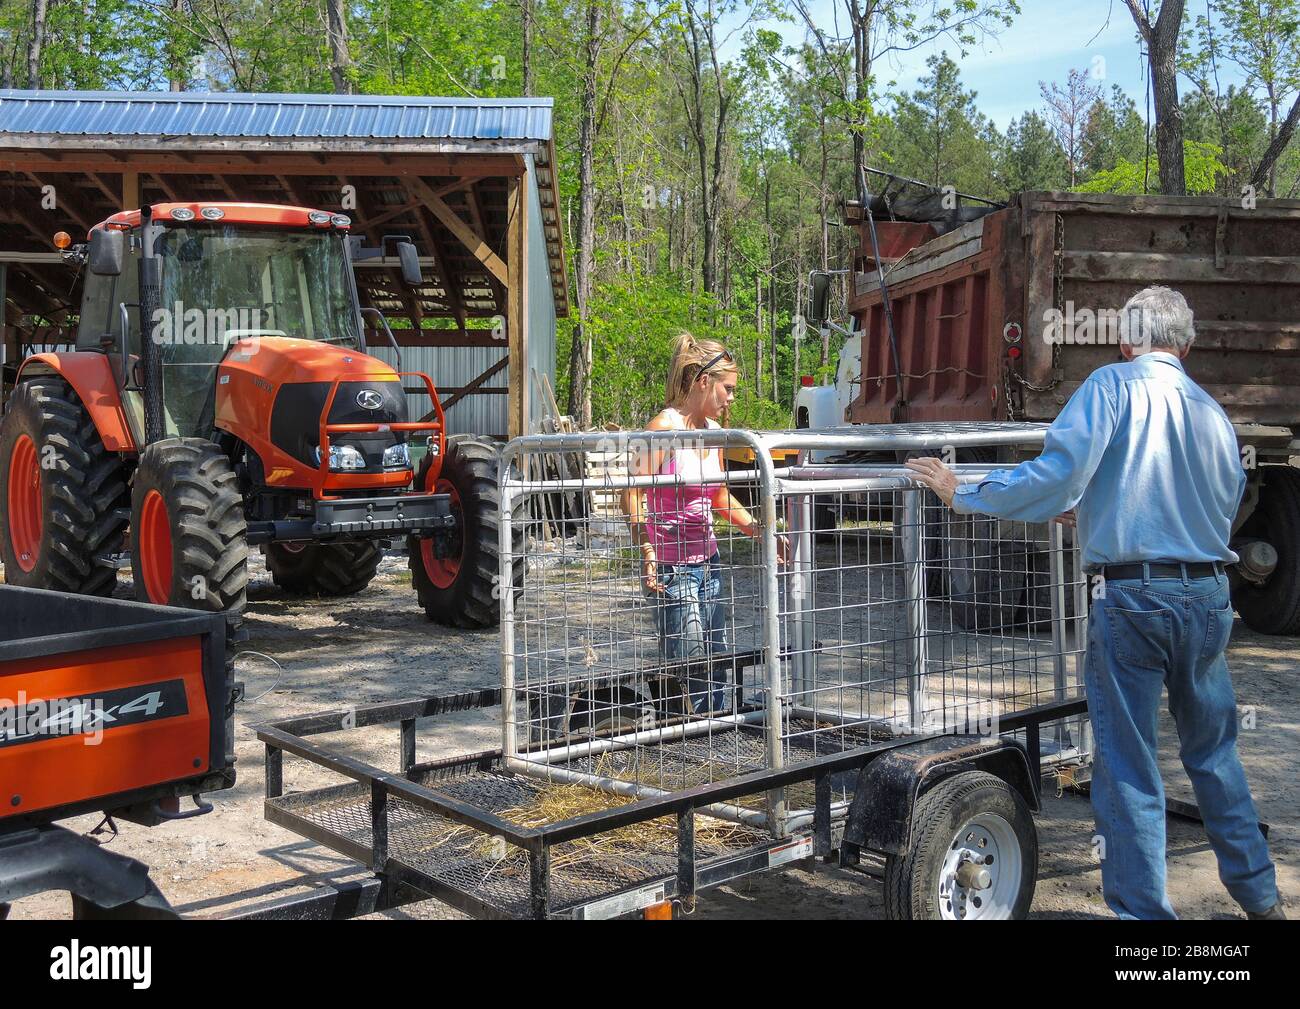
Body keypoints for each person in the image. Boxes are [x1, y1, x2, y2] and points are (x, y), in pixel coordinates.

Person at [906, 285, 1284, 921]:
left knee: (1129, 764)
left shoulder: (1113, 387)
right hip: (1208, 597)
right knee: (1215, 755)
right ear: (1186, 347)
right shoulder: (1214, 415)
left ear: (1125, 340)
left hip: (1134, 598)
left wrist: (964, 489)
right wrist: (1101, 518)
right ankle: (1262, 900)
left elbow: (1058, 475)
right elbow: (1211, 509)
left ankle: (1144, 923)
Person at [623, 333, 786, 716]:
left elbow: (717, 495)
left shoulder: (713, 432)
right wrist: (646, 550)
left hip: (708, 562)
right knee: (690, 660)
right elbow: (631, 492)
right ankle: (686, 743)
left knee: (715, 658)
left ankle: (710, 739)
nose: (732, 397)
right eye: (727, 388)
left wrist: (759, 532)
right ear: (703, 381)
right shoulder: (663, 428)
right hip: (671, 566)